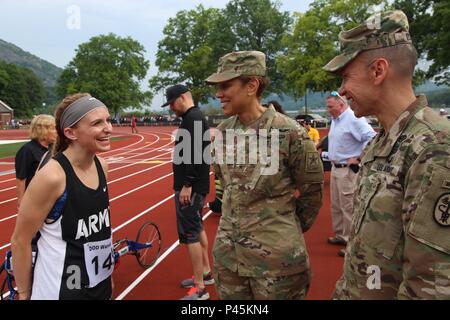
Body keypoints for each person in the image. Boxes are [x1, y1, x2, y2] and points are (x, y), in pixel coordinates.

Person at [323, 10, 450, 299]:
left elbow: (429, 287)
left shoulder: (435, 149)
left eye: (346, 77)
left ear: (378, 71)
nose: (342, 90)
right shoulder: (383, 143)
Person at [206, 51, 324, 300]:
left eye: (226, 85)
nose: (219, 93)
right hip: (229, 261)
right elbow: (226, 185)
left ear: (251, 85)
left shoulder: (290, 132)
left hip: (276, 265)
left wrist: (282, 232)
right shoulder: (224, 131)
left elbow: (312, 192)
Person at [10, 93, 114, 300]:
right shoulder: (52, 176)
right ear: (71, 133)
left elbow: (100, 229)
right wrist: (23, 293)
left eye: (108, 120)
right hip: (59, 290)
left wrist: (107, 274)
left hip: (98, 286)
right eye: (97, 123)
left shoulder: (102, 166)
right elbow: (20, 240)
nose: (108, 128)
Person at [161, 84, 212, 300]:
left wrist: (187, 184)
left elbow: (196, 154)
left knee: (191, 232)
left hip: (190, 187)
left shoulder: (193, 119)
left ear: (182, 98)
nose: (171, 108)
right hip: (194, 185)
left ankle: (200, 288)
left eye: (172, 103)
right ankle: (207, 273)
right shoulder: (194, 118)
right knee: (197, 227)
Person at [325, 91, 375, 257]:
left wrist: (359, 157)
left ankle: (350, 241)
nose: (327, 109)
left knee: (348, 206)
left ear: (341, 104)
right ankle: (341, 235)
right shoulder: (336, 120)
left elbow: (372, 137)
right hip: (335, 168)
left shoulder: (354, 118)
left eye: (330, 106)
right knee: (337, 204)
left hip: (347, 170)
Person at [15, 115, 57, 207]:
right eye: (54, 129)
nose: (57, 132)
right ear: (43, 130)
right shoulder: (27, 150)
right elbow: (21, 178)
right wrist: (21, 202)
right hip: (35, 198)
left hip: (52, 196)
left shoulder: (53, 148)